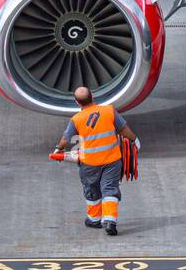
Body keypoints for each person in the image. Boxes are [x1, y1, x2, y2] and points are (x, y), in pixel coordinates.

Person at [53, 87, 138, 236]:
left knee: (92, 190)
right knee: (110, 188)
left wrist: (58, 149)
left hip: (89, 164)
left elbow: (66, 139)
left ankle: (94, 219)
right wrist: (134, 139)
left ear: (77, 103)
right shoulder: (109, 111)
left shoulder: (76, 120)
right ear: (92, 96)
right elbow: (123, 129)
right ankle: (110, 221)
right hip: (112, 160)